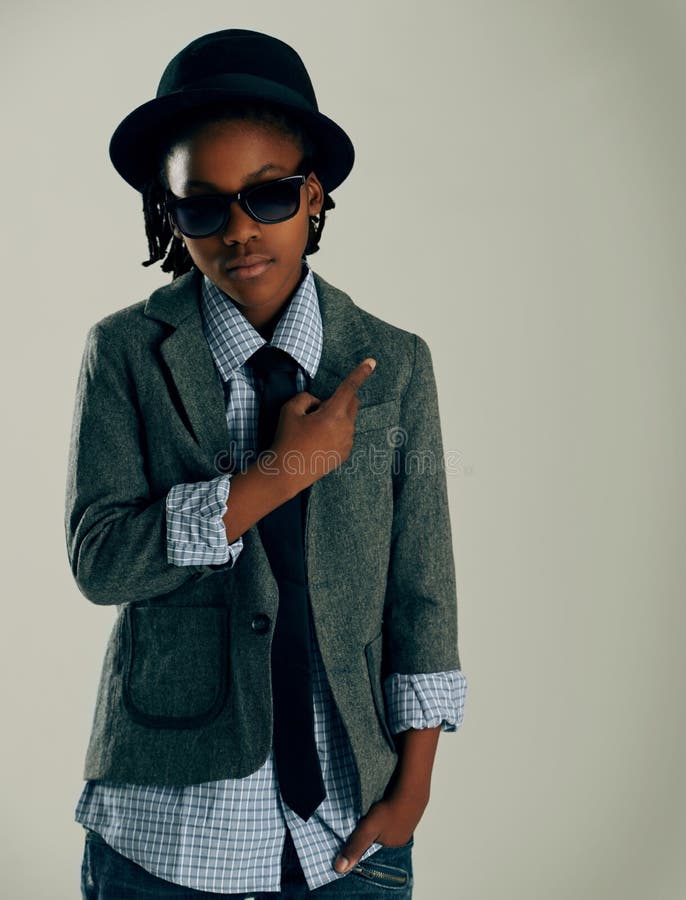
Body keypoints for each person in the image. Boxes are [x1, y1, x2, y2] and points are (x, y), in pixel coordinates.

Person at [65, 28, 467, 899]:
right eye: (204, 207)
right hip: (163, 826)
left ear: (314, 195)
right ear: (169, 216)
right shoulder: (128, 353)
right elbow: (99, 561)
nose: (240, 233)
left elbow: (422, 588)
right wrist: (277, 476)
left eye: (270, 197)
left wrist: (416, 787)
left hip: (350, 826)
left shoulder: (394, 364)